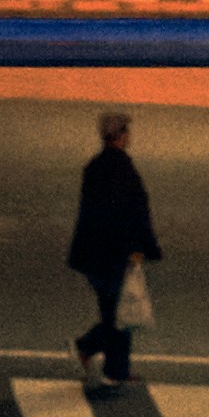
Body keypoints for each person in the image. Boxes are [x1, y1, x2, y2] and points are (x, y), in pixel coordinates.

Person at [68, 110, 161, 387]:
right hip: (113, 254)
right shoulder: (122, 169)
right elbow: (133, 212)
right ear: (121, 136)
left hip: (92, 254)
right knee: (118, 314)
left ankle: (117, 370)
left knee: (118, 310)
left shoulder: (95, 167)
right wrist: (142, 247)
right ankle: (87, 349)